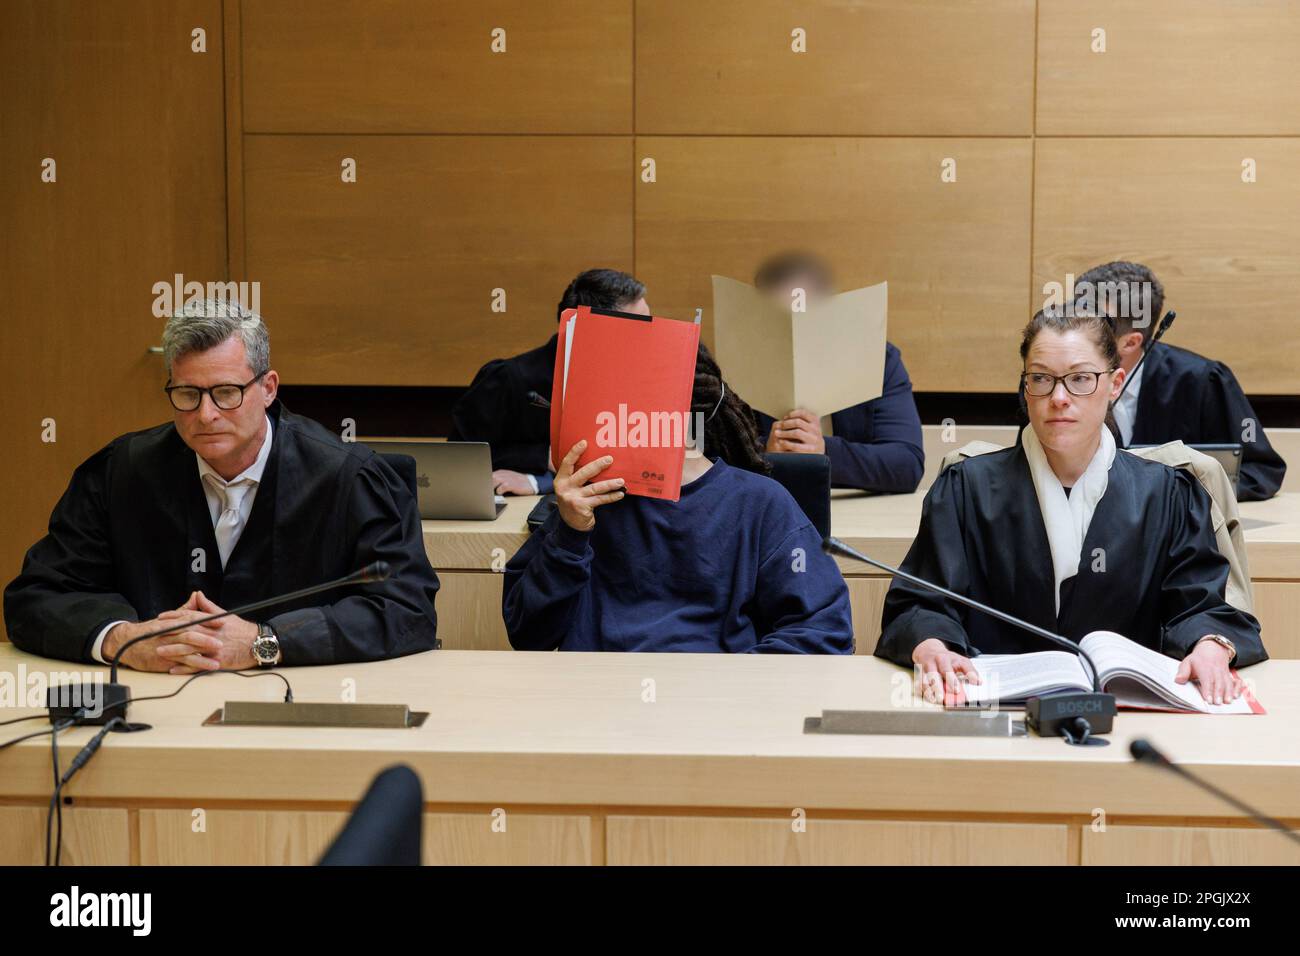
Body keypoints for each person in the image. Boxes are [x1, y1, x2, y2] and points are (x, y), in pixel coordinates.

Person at [3, 299, 440, 672]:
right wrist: (123, 640)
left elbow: (406, 610)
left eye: (227, 392)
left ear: (268, 388)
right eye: (188, 394)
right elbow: (37, 595)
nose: (206, 414)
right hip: (155, 706)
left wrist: (266, 642)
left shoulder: (349, 477)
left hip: (305, 710)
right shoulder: (121, 473)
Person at [875, 305, 1265, 705]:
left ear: (1115, 384)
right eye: (1041, 379)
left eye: (1080, 379)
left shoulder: (1168, 492)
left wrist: (1210, 646)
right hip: (989, 708)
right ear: (1025, 386)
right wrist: (932, 646)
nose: (1059, 398)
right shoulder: (966, 486)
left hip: (1131, 716)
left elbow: (1202, 605)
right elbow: (922, 602)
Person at [501, 345, 853, 653]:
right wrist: (570, 534)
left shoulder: (760, 504)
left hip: (717, 711)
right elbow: (527, 634)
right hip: (597, 705)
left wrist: (726, 689)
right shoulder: (585, 502)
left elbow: (823, 631)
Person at [1075, 260, 1286, 501]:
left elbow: (1260, 471)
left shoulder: (1203, 381)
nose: (1074, 332)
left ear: (1131, 342)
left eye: (1093, 324)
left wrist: (1178, 498)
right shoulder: (1056, 382)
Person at [449, 268, 650, 496]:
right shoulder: (507, 378)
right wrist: (541, 458)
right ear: (590, 331)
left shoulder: (641, 379)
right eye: (637, 328)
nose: (647, 339)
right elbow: (458, 458)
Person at [749, 252, 924, 494]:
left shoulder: (878, 360)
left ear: (831, 314)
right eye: (773, 322)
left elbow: (906, 464)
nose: (790, 336)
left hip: (858, 514)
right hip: (773, 511)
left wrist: (823, 450)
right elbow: (710, 464)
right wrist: (764, 457)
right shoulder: (742, 365)